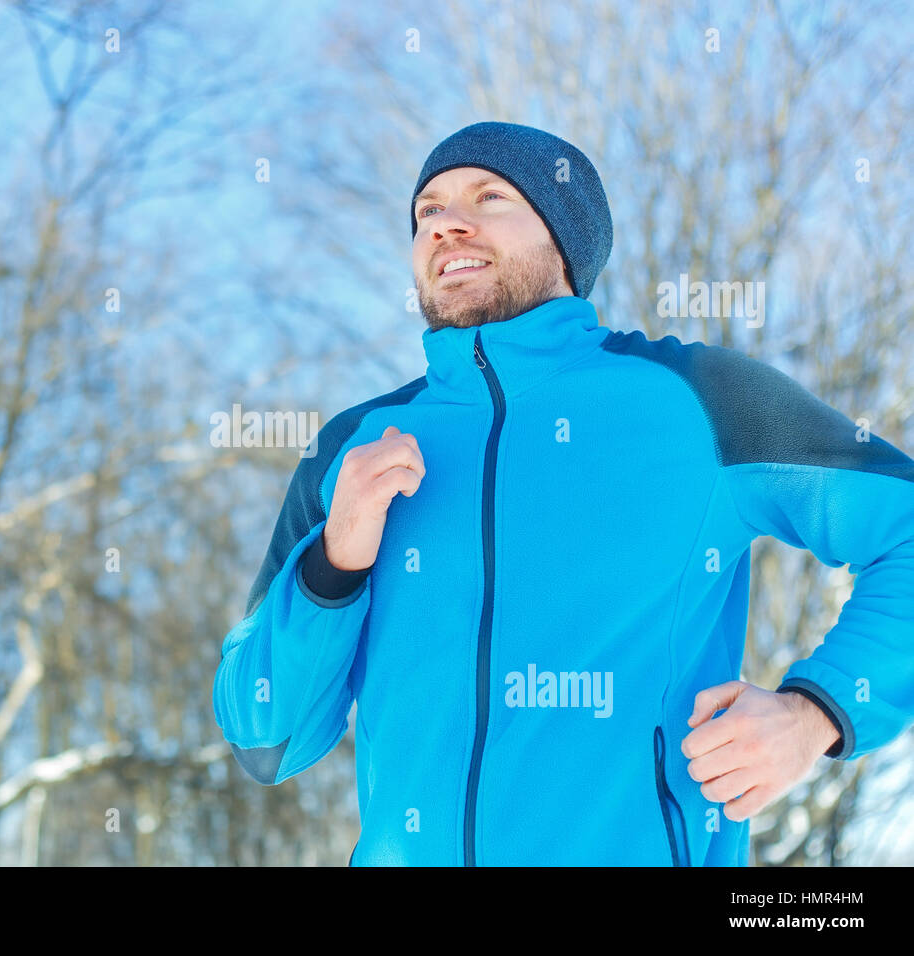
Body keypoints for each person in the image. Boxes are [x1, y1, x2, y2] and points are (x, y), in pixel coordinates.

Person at [211, 121, 914, 866]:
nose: (447, 222)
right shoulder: (355, 448)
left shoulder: (695, 401)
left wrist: (817, 712)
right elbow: (265, 738)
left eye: (491, 196)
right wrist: (334, 564)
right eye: (427, 210)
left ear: (566, 239)